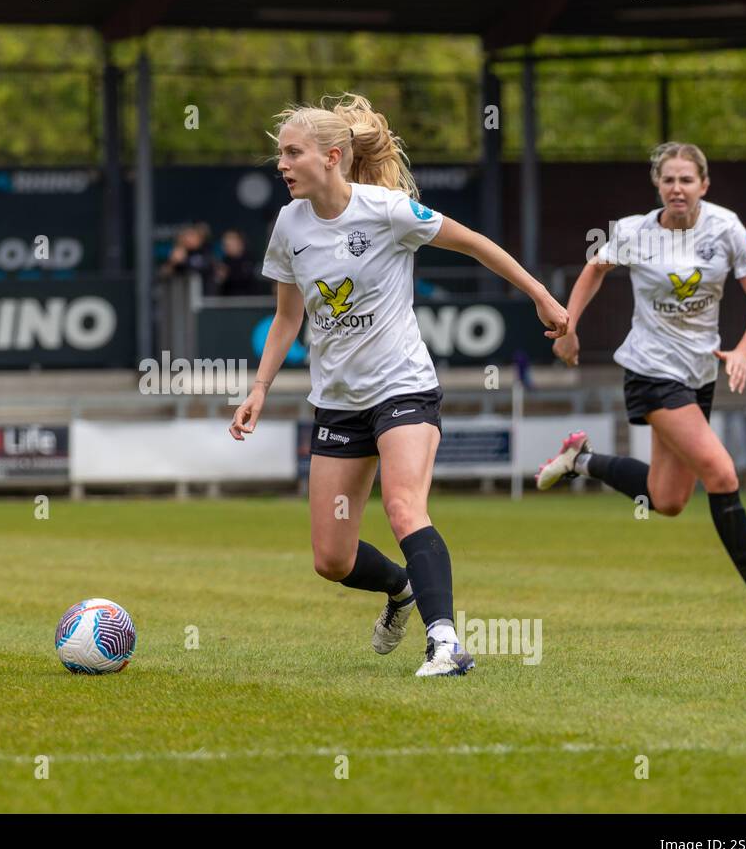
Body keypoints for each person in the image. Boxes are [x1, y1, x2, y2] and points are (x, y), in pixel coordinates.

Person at [230, 93, 568, 676]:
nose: (280, 165)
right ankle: (402, 591)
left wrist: (540, 295)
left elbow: (476, 244)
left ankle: (445, 644)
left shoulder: (387, 210)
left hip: (403, 388)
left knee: (405, 505)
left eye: (291, 152)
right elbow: (288, 316)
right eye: (279, 154)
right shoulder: (288, 224)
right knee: (331, 559)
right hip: (337, 404)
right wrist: (260, 386)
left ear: (332, 156)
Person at [536, 141, 746, 633]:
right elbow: (594, 269)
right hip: (650, 371)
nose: (677, 188)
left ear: (704, 185)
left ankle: (580, 460)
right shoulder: (633, 231)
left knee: (667, 500)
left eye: (687, 179)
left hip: (699, 375)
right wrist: (569, 326)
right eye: (669, 180)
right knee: (722, 474)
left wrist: (743, 351)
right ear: (657, 186)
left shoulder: (726, 228)